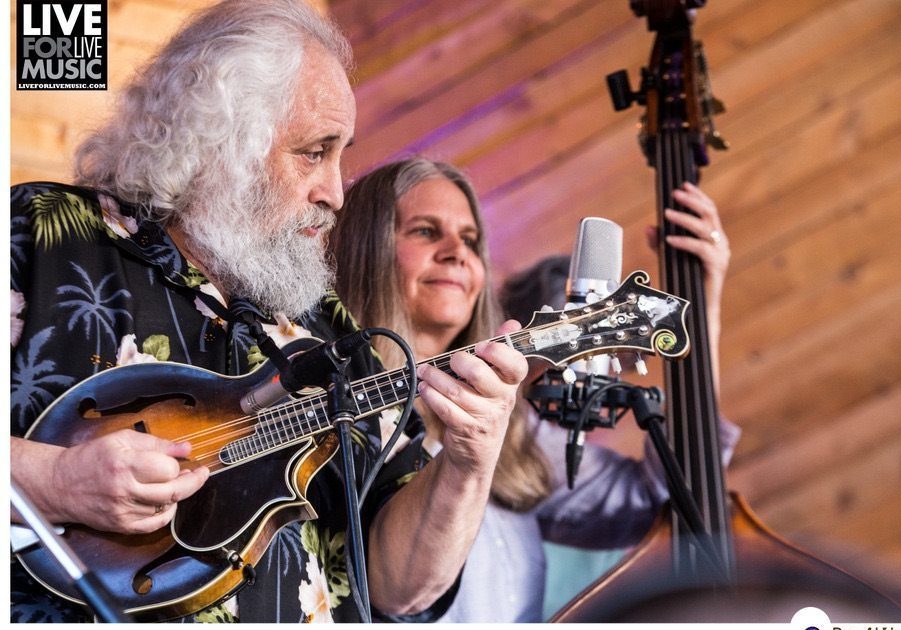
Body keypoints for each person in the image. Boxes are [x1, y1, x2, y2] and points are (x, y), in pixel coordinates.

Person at [10, 1, 526, 623]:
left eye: (342, 155)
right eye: (314, 153)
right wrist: (56, 479)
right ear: (220, 143)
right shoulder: (39, 235)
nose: (336, 192)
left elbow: (400, 591)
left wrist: (471, 461)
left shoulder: (325, 324)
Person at [329, 157, 740, 622]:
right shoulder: (326, 414)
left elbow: (655, 497)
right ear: (366, 249)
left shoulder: (517, 434)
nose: (456, 252)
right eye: (425, 231)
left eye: (470, 240)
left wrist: (702, 311)